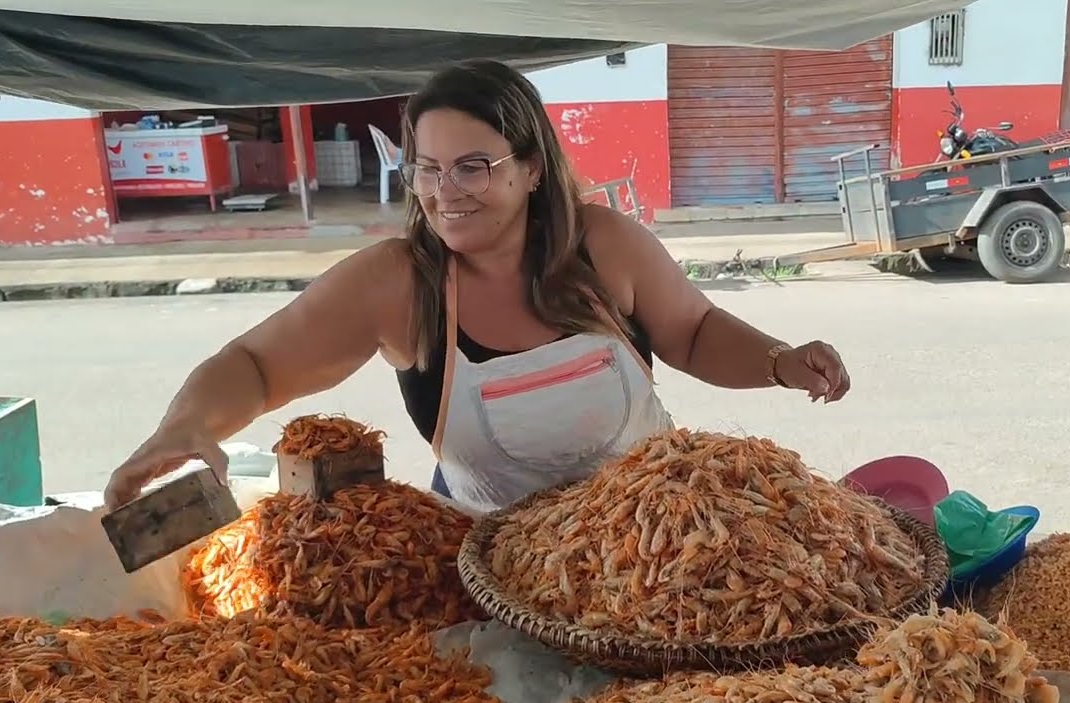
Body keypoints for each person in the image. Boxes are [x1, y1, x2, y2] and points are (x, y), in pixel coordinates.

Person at [104, 59, 851, 513]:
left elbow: (692, 331)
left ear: (530, 169)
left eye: (474, 166)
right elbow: (254, 365)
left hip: (654, 541)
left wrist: (778, 361)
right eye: (427, 167)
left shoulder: (605, 244)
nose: (445, 191)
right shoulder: (399, 283)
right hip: (493, 565)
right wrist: (186, 427)